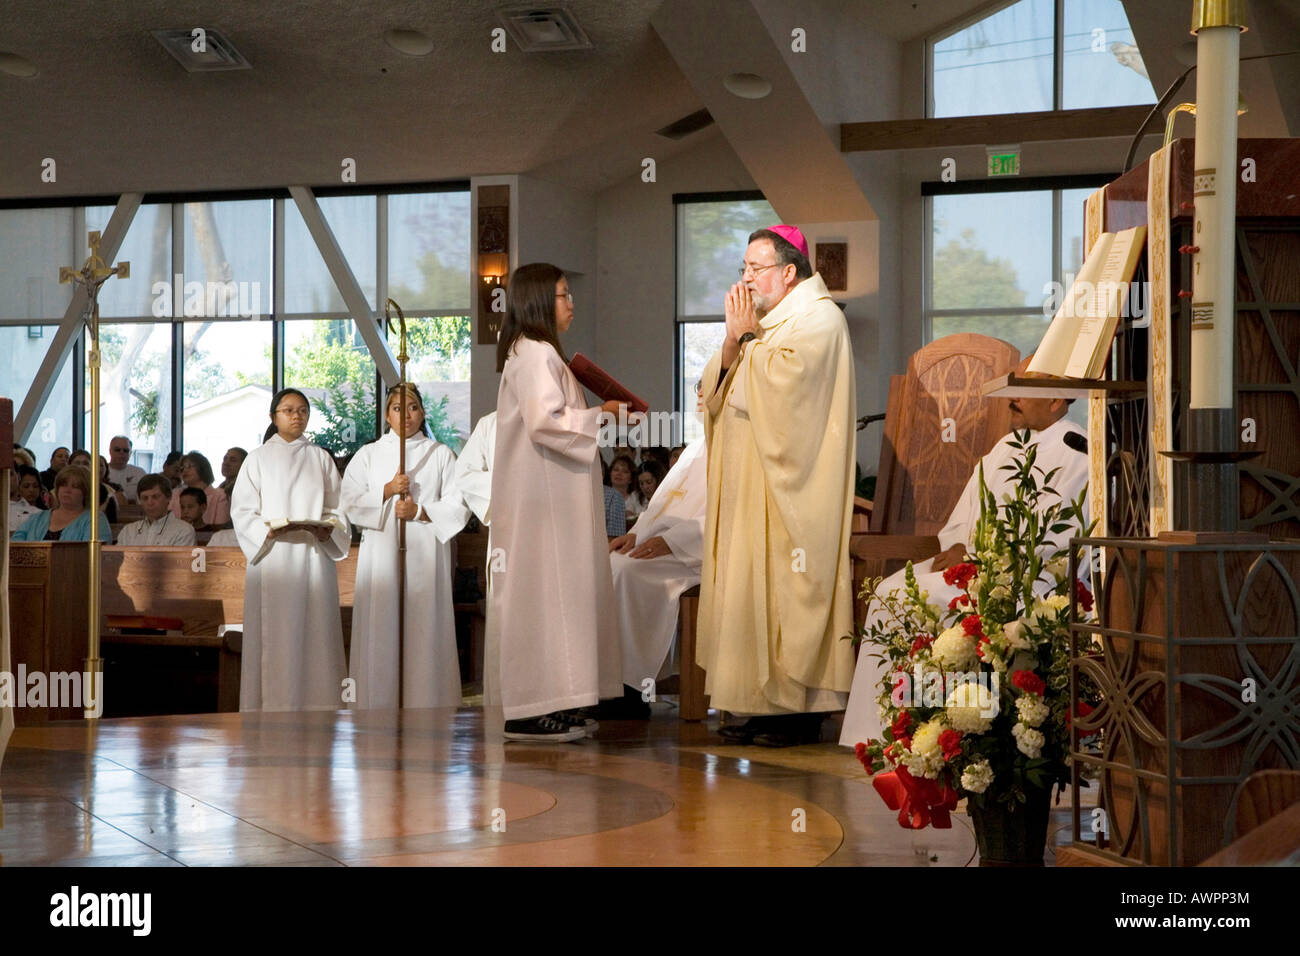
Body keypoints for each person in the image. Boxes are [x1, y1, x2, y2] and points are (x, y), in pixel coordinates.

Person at [838, 395, 1090, 749]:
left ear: (1052, 400)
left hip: (1024, 581)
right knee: (893, 593)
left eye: (1021, 389)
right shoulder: (1007, 446)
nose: (1012, 399)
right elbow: (965, 515)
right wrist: (958, 546)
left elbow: (1057, 541)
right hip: (975, 564)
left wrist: (987, 561)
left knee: (935, 602)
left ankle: (950, 733)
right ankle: (889, 730)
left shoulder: (1076, 454)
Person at [698, 224, 857, 747]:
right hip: (750, 485)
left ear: (789, 273)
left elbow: (789, 390)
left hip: (791, 485)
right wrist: (731, 338)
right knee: (750, 591)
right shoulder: (765, 321)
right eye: (742, 268)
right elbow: (715, 394)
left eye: (755, 268)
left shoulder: (820, 318)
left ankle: (800, 710)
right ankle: (760, 706)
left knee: (787, 590)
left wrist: (746, 338)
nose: (745, 279)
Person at [489, 262, 624, 741]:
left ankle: (559, 696)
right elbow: (546, 422)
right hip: (540, 503)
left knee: (557, 598)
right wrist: (601, 415)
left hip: (552, 496)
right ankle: (527, 707)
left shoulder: (537, 352)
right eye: (564, 295)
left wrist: (596, 417)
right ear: (541, 300)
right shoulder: (534, 353)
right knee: (538, 597)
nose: (572, 303)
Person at [342, 384, 470, 709]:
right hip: (382, 553)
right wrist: (385, 492)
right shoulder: (369, 455)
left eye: (412, 407)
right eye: (398, 408)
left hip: (426, 553)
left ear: (422, 413)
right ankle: (378, 702)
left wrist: (420, 511)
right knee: (382, 623)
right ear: (387, 415)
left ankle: (427, 702)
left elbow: (459, 503)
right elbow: (349, 500)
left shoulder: (439, 454)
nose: (406, 415)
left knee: (423, 625)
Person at [231, 388, 351, 712]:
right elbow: (242, 511)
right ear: (274, 417)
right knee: (275, 640)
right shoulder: (257, 459)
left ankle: (320, 709)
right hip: (272, 557)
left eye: (302, 411)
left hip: (313, 557)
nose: (296, 416)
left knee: (317, 636)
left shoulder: (320, 458)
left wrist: (326, 528)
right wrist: (266, 531)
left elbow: (338, 509)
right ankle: (268, 710)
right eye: (288, 410)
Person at [606, 380, 708, 718]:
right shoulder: (695, 449)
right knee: (610, 563)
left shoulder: (738, 448)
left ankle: (632, 689)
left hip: (694, 554)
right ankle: (608, 682)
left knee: (628, 570)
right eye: (699, 389)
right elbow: (659, 505)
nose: (701, 396)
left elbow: (728, 516)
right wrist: (636, 533)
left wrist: (672, 541)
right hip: (663, 545)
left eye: (710, 388)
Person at [13, 465, 113, 542]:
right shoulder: (37, 518)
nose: (67, 490)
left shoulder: (95, 519)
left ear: (85, 492)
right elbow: (15, 544)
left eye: (75, 486)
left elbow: (92, 555)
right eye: (63, 485)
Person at [117, 475, 196, 546]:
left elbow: (180, 562)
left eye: (155, 497)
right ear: (139, 501)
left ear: (168, 497)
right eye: (145, 498)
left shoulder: (184, 531)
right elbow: (116, 560)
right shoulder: (128, 531)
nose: (150, 502)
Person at [170, 452, 230, 527]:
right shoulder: (175, 494)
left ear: (202, 468)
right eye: (182, 468)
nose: (184, 471)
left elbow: (220, 527)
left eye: (189, 466)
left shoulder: (220, 495)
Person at [69, 450, 121, 523]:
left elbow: (111, 523)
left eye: (85, 463)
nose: (81, 466)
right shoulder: (59, 491)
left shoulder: (107, 492)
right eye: (77, 463)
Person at [106, 436, 146, 502]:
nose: (121, 453)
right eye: (117, 450)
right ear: (110, 451)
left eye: (126, 450)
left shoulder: (139, 473)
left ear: (130, 453)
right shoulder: (101, 472)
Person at [10, 464, 46, 529]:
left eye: (35, 486)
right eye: (26, 486)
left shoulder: (42, 513)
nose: (31, 490)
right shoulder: (10, 508)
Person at [608, 454, 640, 522]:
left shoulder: (636, 498)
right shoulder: (601, 495)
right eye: (616, 470)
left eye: (625, 471)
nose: (619, 474)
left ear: (631, 479)